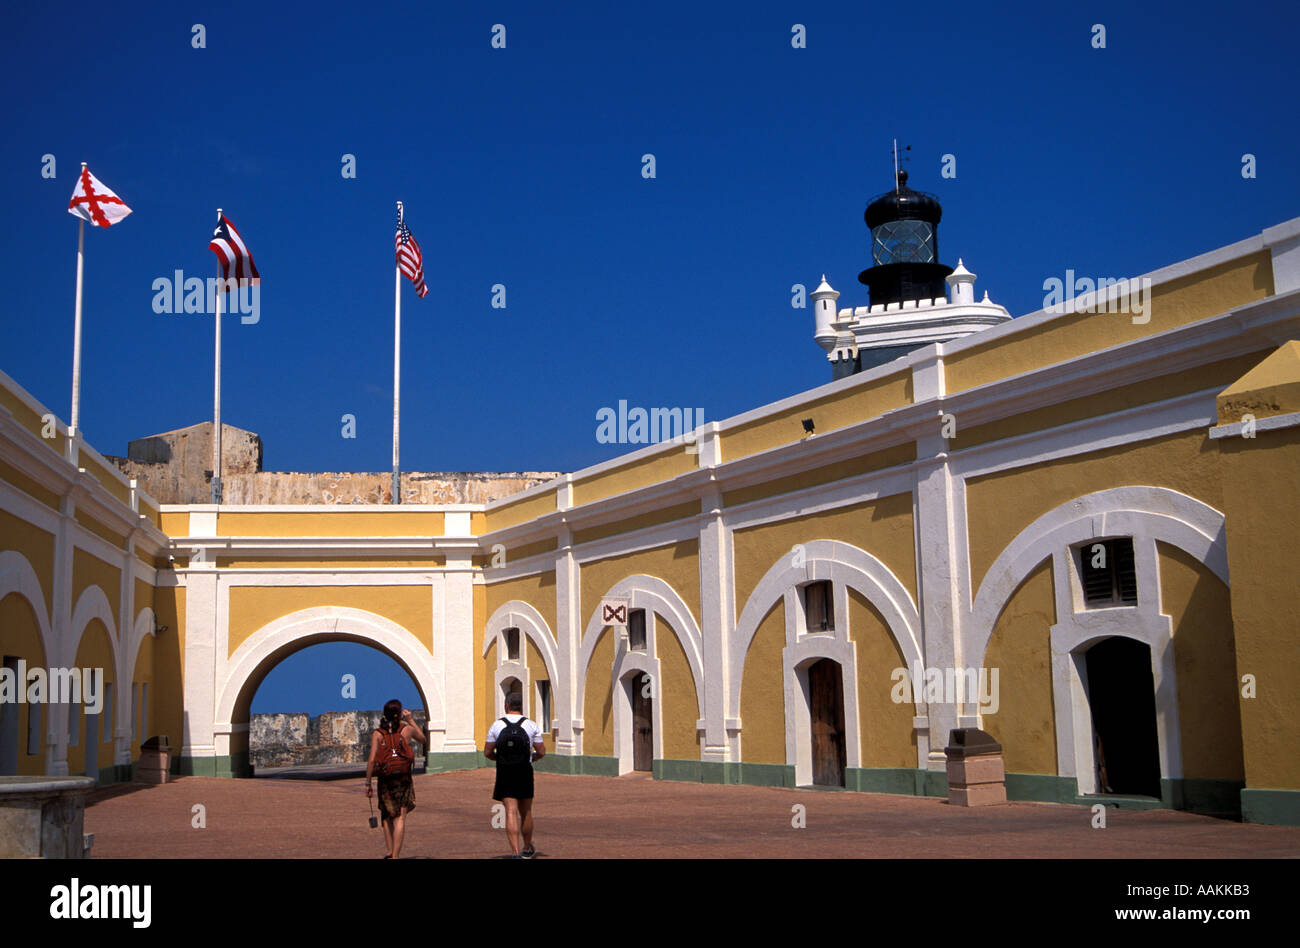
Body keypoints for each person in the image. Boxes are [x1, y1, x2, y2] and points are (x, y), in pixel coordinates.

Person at [484, 692, 545, 858]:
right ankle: (527, 848)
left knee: (510, 811)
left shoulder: (497, 725)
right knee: (526, 811)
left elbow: (487, 752)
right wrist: (532, 758)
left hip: (505, 771)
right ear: (521, 706)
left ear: (506, 706)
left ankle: (515, 852)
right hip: (525, 770)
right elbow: (541, 751)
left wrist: (499, 758)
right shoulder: (531, 725)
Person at [365, 699, 426, 858]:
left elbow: (372, 759)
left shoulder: (378, 733)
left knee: (386, 815)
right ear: (399, 714)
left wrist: (368, 782)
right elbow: (423, 739)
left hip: (385, 778)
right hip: (403, 778)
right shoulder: (406, 730)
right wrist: (410, 719)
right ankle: (396, 856)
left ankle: (389, 851)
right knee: (400, 816)